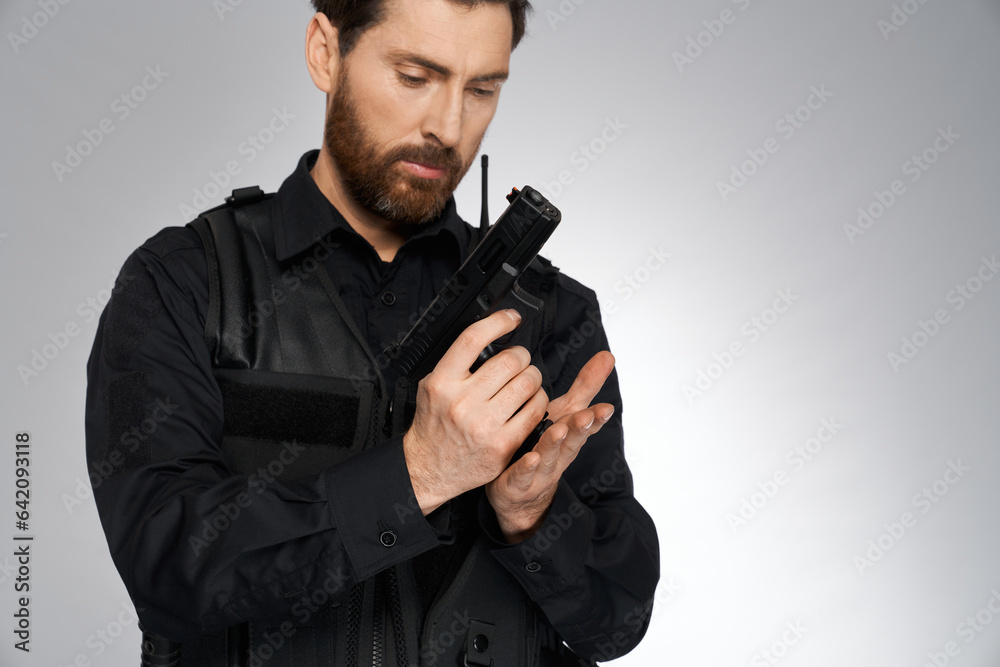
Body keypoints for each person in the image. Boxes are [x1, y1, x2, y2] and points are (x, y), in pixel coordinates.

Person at [84, 1, 659, 665]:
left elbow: (616, 626)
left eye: (481, 89)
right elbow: (166, 570)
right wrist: (417, 475)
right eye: (415, 77)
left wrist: (533, 519)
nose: (448, 128)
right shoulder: (186, 283)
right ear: (326, 52)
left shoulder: (554, 313)